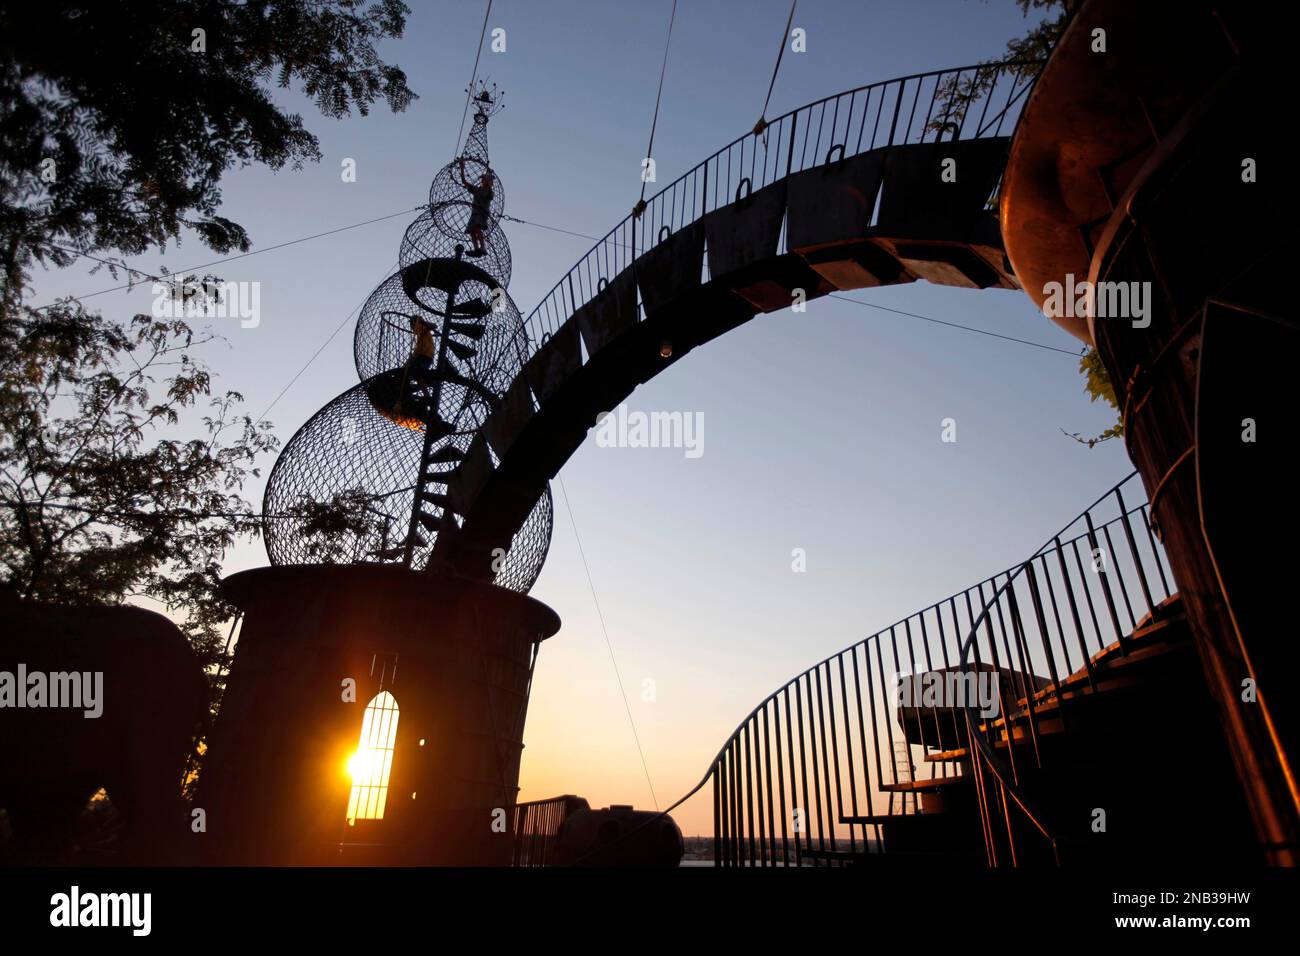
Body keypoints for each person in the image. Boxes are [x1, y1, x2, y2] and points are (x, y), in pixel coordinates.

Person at [457, 158, 494, 257]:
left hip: (482, 213)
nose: (482, 180)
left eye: (484, 179)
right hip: (475, 213)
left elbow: (489, 189)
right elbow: (464, 181)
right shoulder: (477, 189)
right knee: (472, 231)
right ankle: (476, 249)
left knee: (477, 228)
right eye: (482, 179)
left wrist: (488, 176)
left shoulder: (489, 192)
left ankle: (482, 247)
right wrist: (462, 168)